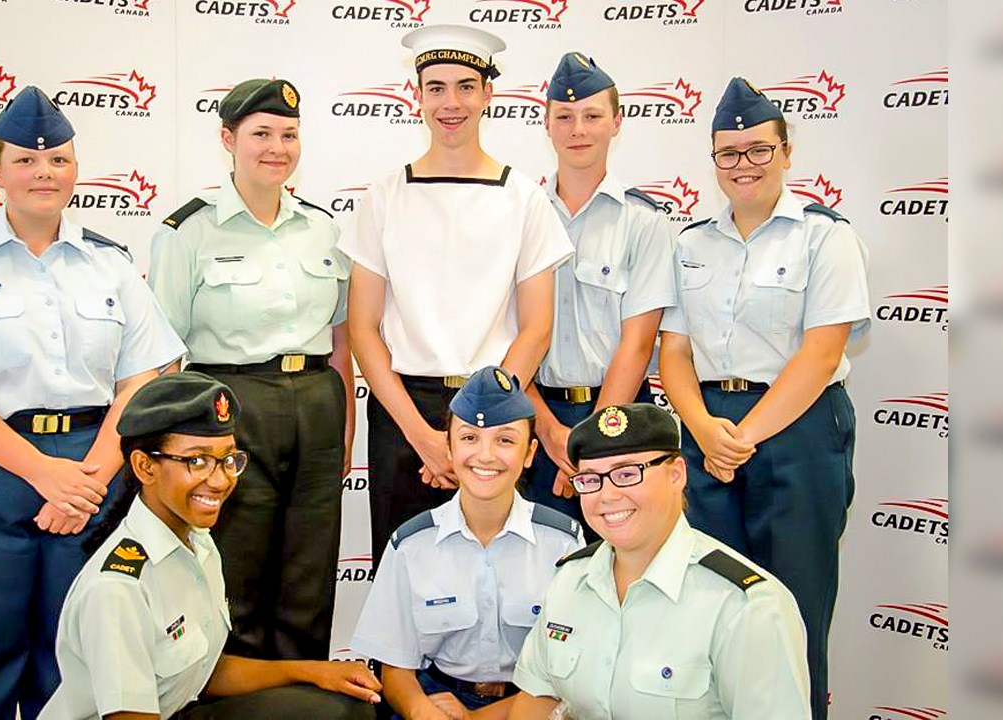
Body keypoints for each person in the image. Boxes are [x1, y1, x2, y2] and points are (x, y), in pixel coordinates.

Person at [0, 86, 186, 719]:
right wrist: (42, 473)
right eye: (24, 160)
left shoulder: (110, 263)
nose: (43, 173)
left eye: (58, 161)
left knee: (75, 668)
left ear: (76, 171)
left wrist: (92, 479)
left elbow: (146, 374)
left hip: (91, 468)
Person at [657, 77, 871, 719]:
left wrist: (740, 436)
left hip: (797, 430)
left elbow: (821, 354)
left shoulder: (825, 237)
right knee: (709, 609)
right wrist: (701, 429)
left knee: (794, 612)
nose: (743, 165)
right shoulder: (691, 242)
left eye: (757, 150)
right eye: (729, 153)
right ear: (714, 160)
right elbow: (673, 352)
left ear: (786, 152)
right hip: (706, 433)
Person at [341, 24, 574, 568]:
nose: (452, 102)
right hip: (406, 414)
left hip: (494, 407)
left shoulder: (523, 198)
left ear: (489, 95)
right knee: (404, 579)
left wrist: (480, 424)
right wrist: (424, 437)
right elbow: (362, 329)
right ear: (417, 96)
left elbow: (537, 327)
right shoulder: (384, 197)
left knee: (498, 577)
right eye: (437, 87)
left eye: (467, 86)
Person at [148, 77, 354, 661]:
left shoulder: (323, 227)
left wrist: (345, 420)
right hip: (228, 404)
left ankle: (300, 696)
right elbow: (163, 354)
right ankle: (233, 699)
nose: (277, 147)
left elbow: (341, 338)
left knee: (310, 569)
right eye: (261, 133)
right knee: (236, 565)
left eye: (289, 135)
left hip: (317, 400)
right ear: (227, 138)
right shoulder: (188, 230)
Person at [39, 372, 380, 720]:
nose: (219, 480)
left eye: (228, 460)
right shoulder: (118, 588)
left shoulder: (198, 541)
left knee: (346, 711)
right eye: (196, 461)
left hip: (177, 710)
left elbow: (202, 672)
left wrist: (312, 672)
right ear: (145, 466)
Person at [509, 403, 810, 719]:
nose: (607, 495)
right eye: (590, 479)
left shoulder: (746, 607)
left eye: (627, 474)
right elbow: (536, 700)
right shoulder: (569, 581)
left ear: (676, 474)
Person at [351, 366, 583, 720]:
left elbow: (571, 673)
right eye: (469, 438)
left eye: (505, 440)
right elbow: (394, 666)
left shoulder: (563, 543)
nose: (485, 456)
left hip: (532, 707)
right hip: (436, 701)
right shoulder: (411, 545)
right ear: (449, 447)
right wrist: (420, 711)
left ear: (530, 453)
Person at [525, 52, 677, 542]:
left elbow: (637, 344)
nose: (578, 129)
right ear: (546, 125)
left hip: (621, 422)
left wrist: (591, 445)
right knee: (543, 583)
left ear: (616, 122)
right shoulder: (519, 215)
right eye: (564, 117)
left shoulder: (644, 222)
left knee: (625, 569)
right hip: (536, 423)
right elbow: (506, 336)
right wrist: (549, 433)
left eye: (592, 116)